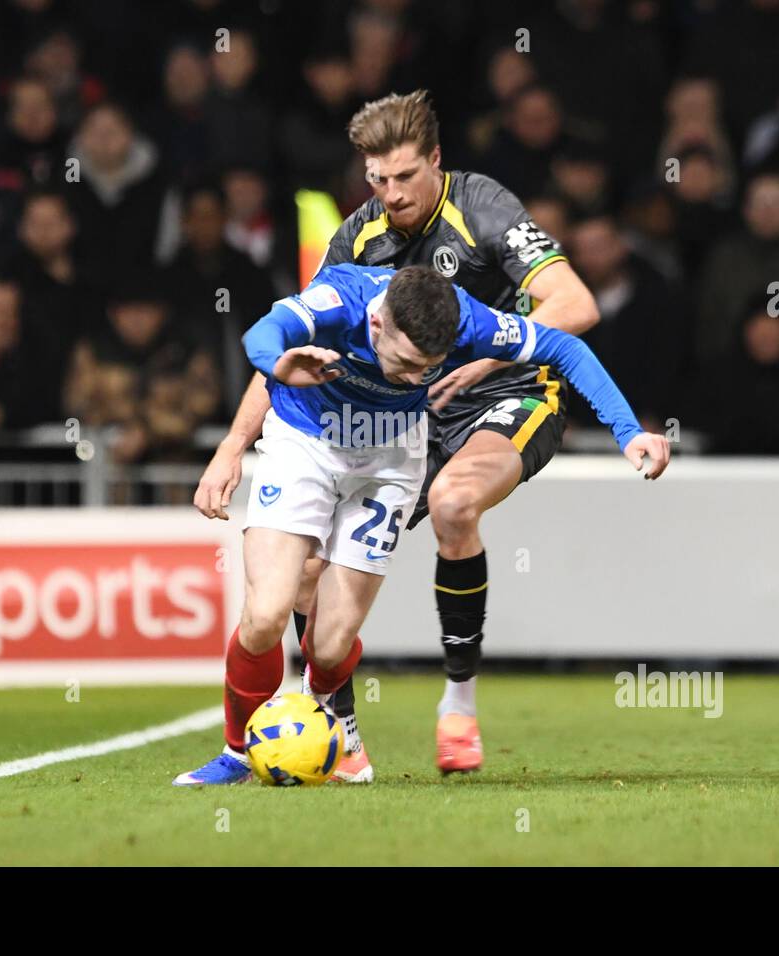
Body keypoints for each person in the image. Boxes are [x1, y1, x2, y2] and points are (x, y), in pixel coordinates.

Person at [193, 90, 605, 780]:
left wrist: (486, 357)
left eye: (405, 176)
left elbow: (575, 303)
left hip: (508, 388)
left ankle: (459, 704)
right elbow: (297, 345)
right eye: (376, 179)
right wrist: (235, 444)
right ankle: (340, 733)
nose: (390, 193)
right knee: (306, 581)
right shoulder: (358, 236)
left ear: (436, 161)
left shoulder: (484, 207)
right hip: (411, 408)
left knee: (453, 504)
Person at [174, 263, 669, 786]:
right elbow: (262, 334)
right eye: (408, 362)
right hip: (305, 446)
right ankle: (235, 753)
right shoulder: (336, 302)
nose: (416, 377)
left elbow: (565, 348)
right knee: (267, 615)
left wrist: (628, 431)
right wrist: (279, 366)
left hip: (388, 461)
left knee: (330, 645)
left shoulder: (467, 322)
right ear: (379, 324)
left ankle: (323, 724)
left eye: (427, 367)